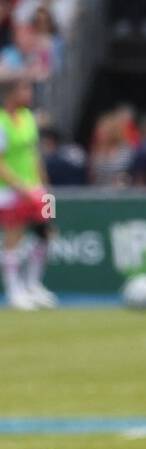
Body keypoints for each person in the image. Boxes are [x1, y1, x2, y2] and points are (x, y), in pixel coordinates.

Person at [0, 78, 56, 310]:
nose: (29, 94)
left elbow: (34, 154)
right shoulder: (2, 122)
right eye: (25, 88)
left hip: (36, 189)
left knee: (48, 232)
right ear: (11, 94)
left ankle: (33, 284)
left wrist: (44, 184)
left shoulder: (28, 119)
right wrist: (20, 187)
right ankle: (14, 291)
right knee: (14, 237)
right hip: (9, 191)